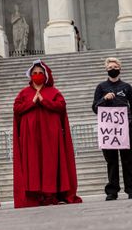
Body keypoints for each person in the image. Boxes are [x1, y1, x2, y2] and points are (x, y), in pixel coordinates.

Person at [13, 59, 82, 207]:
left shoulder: (54, 91)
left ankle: (51, 194)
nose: (37, 75)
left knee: (50, 162)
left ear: (45, 75)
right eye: (34, 73)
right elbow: (17, 109)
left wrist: (44, 101)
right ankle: (37, 195)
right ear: (30, 76)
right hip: (30, 136)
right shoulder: (24, 93)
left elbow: (61, 106)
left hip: (50, 135)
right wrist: (32, 102)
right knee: (33, 162)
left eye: (40, 73)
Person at [92, 57, 132, 201]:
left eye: (115, 67)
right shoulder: (101, 87)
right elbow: (95, 108)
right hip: (108, 130)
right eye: (110, 67)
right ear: (106, 69)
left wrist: (125, 117)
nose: (113, 69)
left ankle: (131, 189)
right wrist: (104, 99)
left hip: (125, 129)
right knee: (111, 161)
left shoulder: (127, 87)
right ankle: (112, 191)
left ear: (120, 68)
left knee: (127, 159)